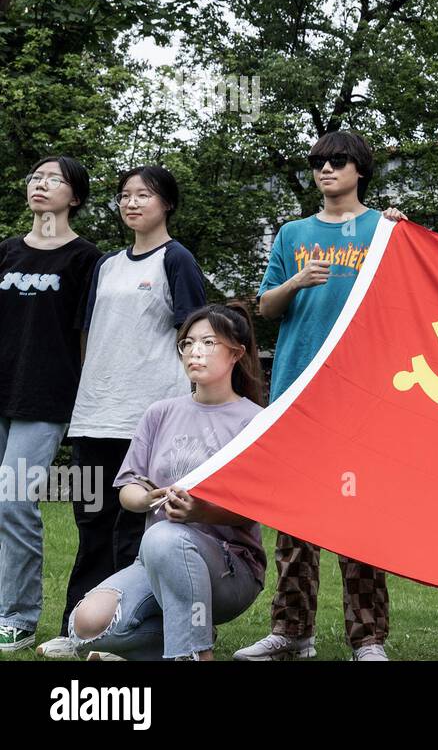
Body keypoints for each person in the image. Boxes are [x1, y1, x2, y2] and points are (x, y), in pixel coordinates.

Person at [235, 130, 405, 662]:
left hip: (361, 392)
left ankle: (369, 638)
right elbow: (265, 309)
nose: (325, 169)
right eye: (317, 162)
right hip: (295, 389)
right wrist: (296, 282)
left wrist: (403, 234)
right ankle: (292, 633)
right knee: (293, 517)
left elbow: (411, 294)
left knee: (359, 519)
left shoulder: (384, 230)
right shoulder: (292, 234)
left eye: (338, 161)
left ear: (361, 170)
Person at [38, 165, 207, 658]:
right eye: (125, 196)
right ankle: (77, 630)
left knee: (140, 524)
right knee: (92, 518)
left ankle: (124, 632)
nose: (132, 203)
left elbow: (194, 334)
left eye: (144, 195)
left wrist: (189, 407)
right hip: (94, 414)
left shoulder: (176, 260)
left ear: (166, 204)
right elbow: (88, 335)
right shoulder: (107, 265)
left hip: (149, 416)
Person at [68, 303, 267, 660]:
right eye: (187, 344)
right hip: (155, 560)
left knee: (163, 535)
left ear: (236, 353)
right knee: (86, 625)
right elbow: (129, 489)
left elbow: (254, 509)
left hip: (230, 569)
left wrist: (200, 511)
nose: (195, 352)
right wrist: (147, 499)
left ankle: (194, 653)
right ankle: (190, 630)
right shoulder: (160, 413)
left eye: (208, 343)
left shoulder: (254, 421)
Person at [0, 157, 103, 652]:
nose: (40, 185)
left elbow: (91, 335)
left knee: (14, 500)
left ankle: (17, 616)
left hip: (44, 398)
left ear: (75, 197)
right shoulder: (5, 253)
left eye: (53, 179)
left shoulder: (86, 260)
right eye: (34, 177)